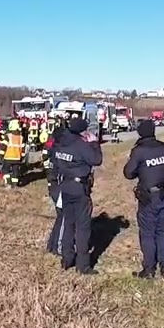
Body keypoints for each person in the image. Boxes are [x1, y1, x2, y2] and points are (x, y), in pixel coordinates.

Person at [123, 119, 164, 278]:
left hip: (149, 198)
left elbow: (128, 173)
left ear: (140, 132)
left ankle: (149, 269)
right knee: (163, 231)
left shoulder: (139, 150)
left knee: (148, 232)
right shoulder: (163, 147)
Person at [52, 117, 103, 274]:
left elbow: (55, 160)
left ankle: (67, 259)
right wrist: (94, 143)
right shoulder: (81, 145)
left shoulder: (61, 142)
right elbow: (97, 160)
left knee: (68, 223)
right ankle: (83, 265)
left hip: (65, 186)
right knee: (83, 227)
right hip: (80, 188)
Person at [44, 119, 68, 255]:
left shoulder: (51, 149)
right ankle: (56, 246)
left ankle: (52, 245)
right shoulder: (59, 151)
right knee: (63, 215)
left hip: (53, 184)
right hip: (57, 186)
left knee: (60, 216)